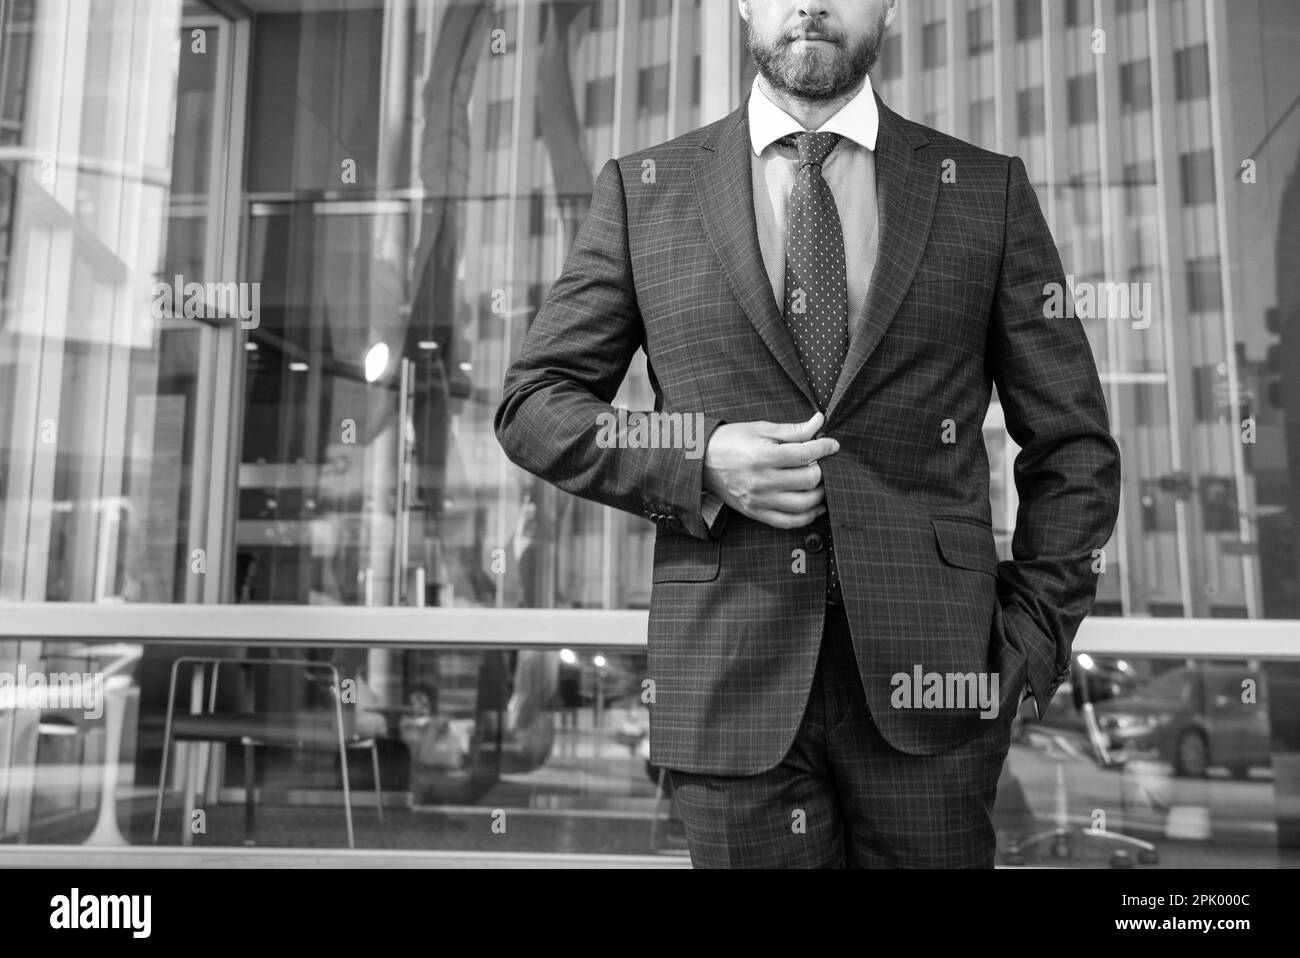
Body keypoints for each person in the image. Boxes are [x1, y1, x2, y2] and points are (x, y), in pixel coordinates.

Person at [495, 0, 1121, 868]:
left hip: (938, 689)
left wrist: (1027, 650)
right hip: (728, 692)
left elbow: (1074, 446)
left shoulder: (984, 190)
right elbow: (535, 403)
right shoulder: (645, 190)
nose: (812, 3)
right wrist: (700, 457)